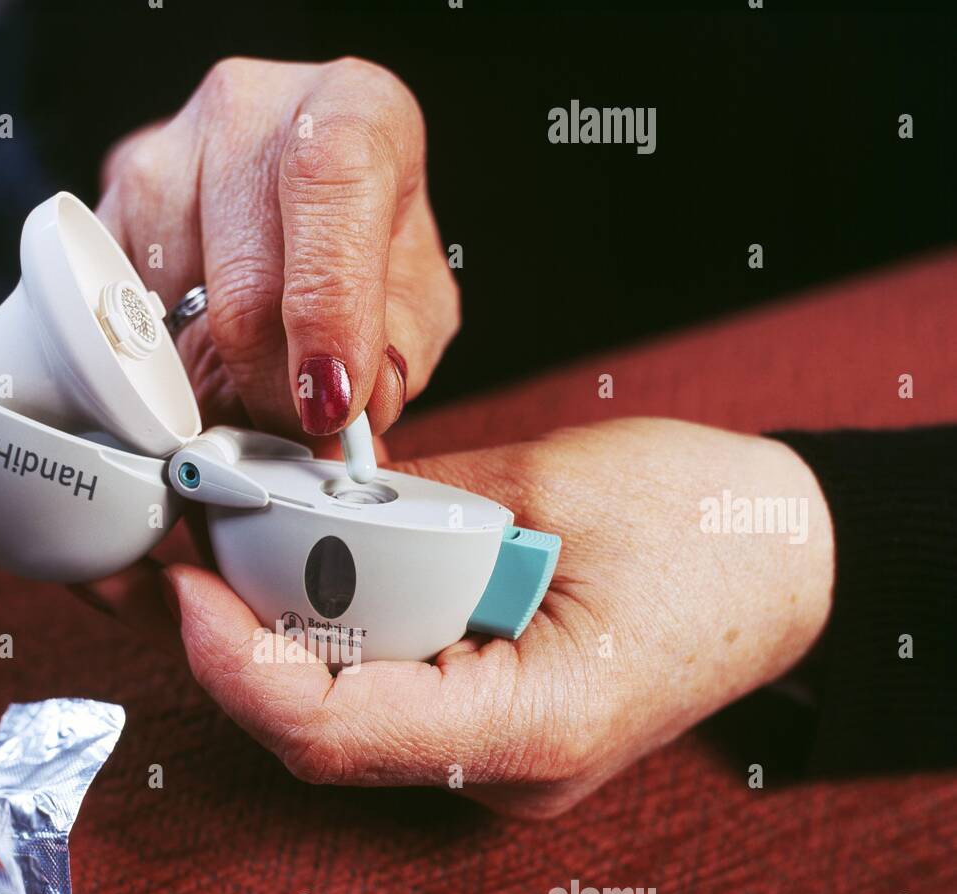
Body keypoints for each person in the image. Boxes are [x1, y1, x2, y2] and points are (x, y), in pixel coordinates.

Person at [81, 57, 955, 816]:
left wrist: (825, 548)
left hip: (839, 273)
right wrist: (193, 174)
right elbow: (164, 121)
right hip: (332, 352)